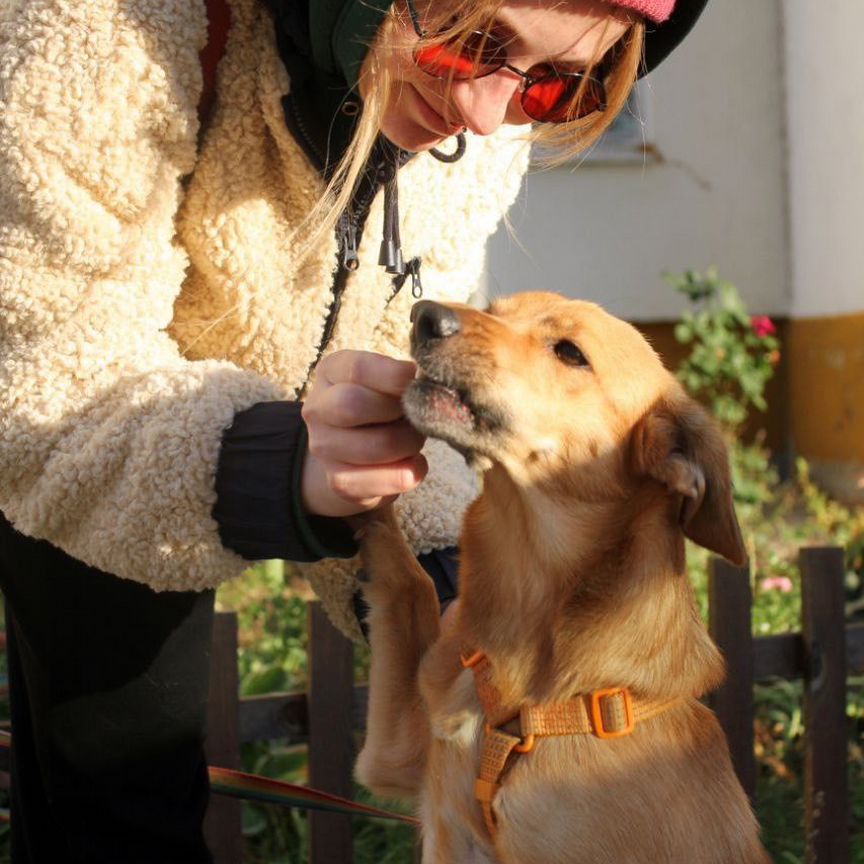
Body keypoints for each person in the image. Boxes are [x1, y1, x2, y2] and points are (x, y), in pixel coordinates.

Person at [0, 0, 708, 860]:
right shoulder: (97, 24)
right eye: (470, 41)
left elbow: (389, 371)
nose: (487, 116)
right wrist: (275, 468)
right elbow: (40, 374)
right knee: (121, 798)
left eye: (556, 87)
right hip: (75, 406)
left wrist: (451, 579)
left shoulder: (482, 121)